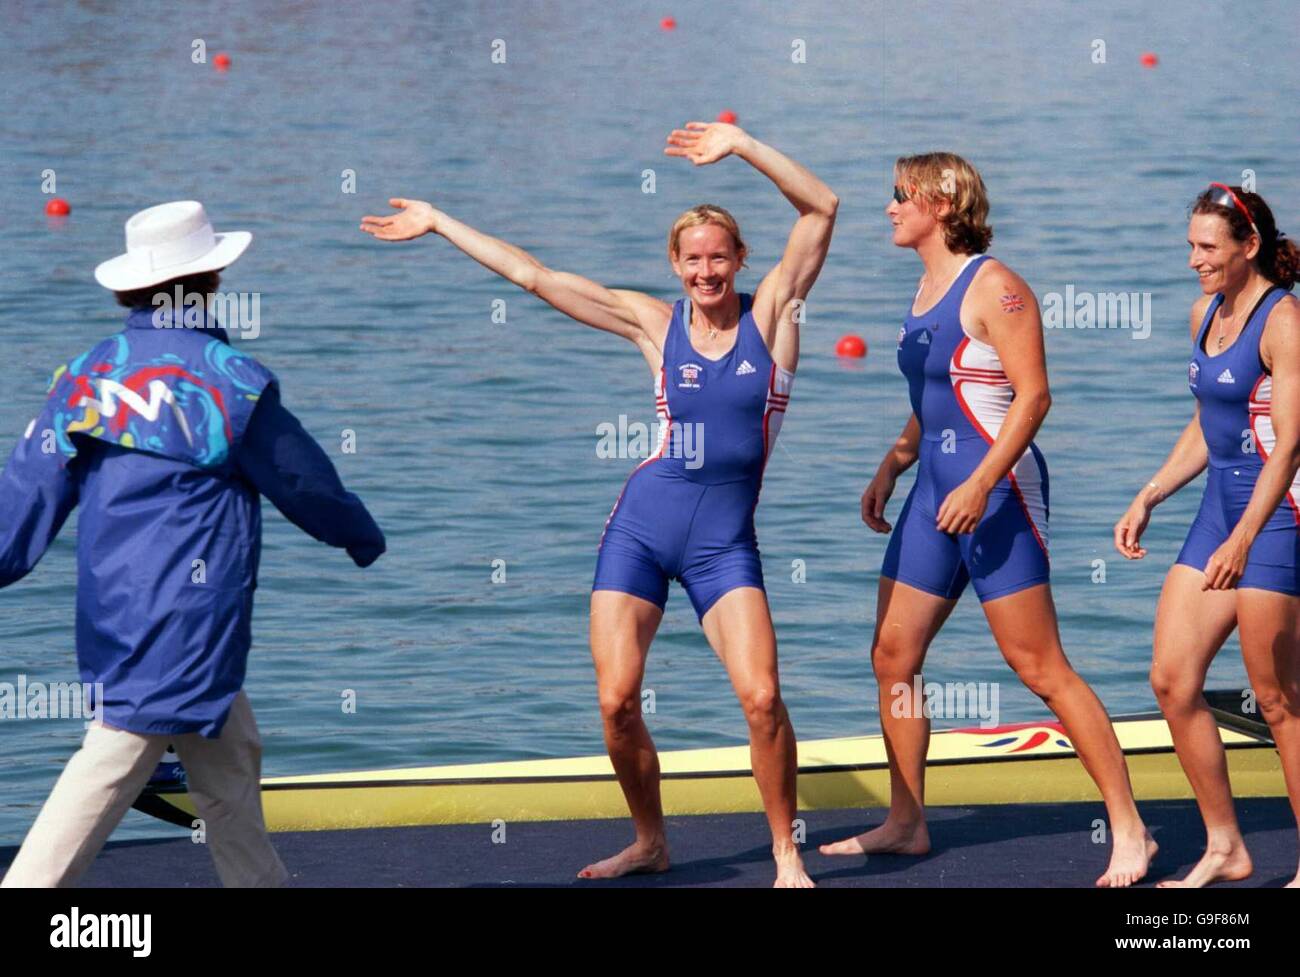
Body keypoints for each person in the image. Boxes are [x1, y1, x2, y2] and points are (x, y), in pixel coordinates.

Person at [361, 122, 836, 886]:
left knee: (763, 697)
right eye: (693, 259)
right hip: (641, 530)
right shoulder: (655, 324)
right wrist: (441, 222)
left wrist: (742, 144)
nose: (707, 271)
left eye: (720, 256)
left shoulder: (773, 312)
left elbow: (822, 209)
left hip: (723, 543)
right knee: (617, 702)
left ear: (741, 259)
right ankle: (651, 839)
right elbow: (534, 275)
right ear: (675, 267)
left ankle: (786, 852)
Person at [0, 200, 386, 888]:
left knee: (229, 755)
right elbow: (307, 483)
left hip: (114, 615)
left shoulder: (82, 377)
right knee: (113, 759)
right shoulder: (230, 382)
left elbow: (24, 501)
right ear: (208, 281)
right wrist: (360, 535)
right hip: (188, 622)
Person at [820, 153, 1155, 887]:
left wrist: (978, 481)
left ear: (942, 202)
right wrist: (894, 461)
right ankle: (906, 819)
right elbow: (934, 397)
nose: (889, 208)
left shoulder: (996, 286)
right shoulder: (923, 287)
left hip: (997, 491)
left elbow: (1033, 398)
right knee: (891, 656)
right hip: (934, 492)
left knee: (1038, 665)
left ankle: (1130, 829)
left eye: (900, 195)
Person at [1115, 184, 1300, 888]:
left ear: (1249, 246)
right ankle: (1226, 845)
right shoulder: (1204, 313)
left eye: (1208, 247)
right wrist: (1151, 491)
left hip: (1276, 515)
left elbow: (1287, 448)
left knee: (1279, 697)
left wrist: (1248, 536)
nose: (1194, 259)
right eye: (1191, 245)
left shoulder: (1283, 321)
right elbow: (1208, 423)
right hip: (1217, 515)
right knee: (1171, 678)